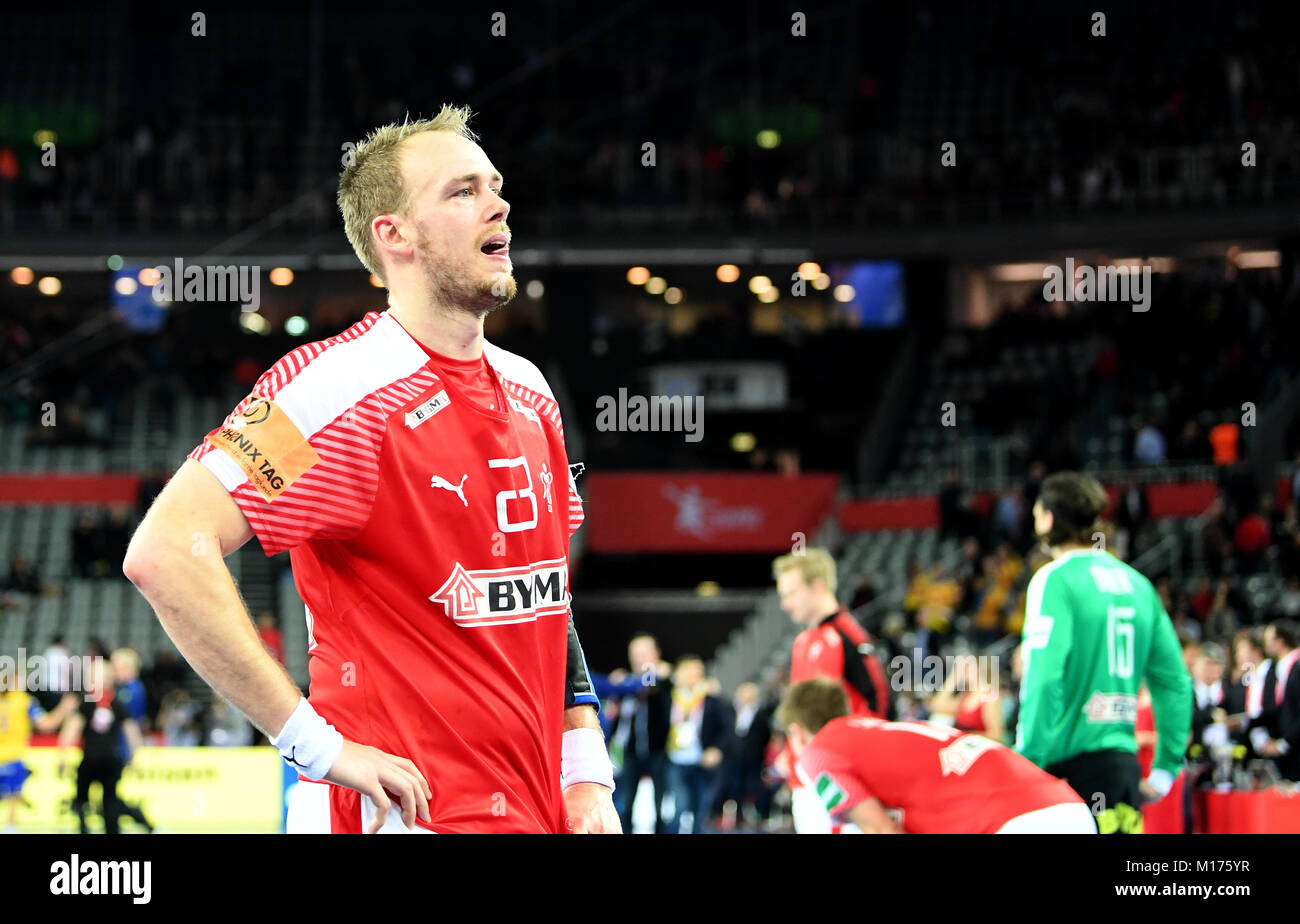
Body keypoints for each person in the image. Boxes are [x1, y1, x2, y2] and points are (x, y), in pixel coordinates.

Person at [123, 105, 617, 834]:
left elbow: (547, 601)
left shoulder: (532, 393)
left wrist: (587, 774)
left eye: (495, 184)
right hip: (400, 818)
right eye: (462, 191)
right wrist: (312, 745)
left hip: (539, 813)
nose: (498, 203)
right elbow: (166, 550)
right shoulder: (334, 389)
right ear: (394, 235)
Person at [1016, 471, 1191, 834]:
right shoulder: (1138, 584)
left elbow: (1045, 678)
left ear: (1048, 519)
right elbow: (1174, 682)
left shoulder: (1055, 579)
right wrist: (1164, 769)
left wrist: (1027, 761)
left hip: (1066, 777)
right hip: (1121, 771)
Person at [778, 678, 1095, 834]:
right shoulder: (884, 731)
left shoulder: (817, 754)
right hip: (1069, 806)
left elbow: (879, 829)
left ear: (797, 732)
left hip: (1015, 822)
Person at [772, 547, 891, 833]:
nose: (785, 604)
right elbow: (800, 709)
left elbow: (879, 704)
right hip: (807, 777)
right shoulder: (804, 641)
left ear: (818, 586)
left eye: (791, 593)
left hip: (837, 778)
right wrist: (789, 751)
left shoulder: (846, 636)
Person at [57, 661, 148, 835]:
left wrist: (63, 753)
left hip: (90, 758)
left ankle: (84, 829)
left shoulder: (87, 702)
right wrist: (134, 756)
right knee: (110, 801)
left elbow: (72, 730)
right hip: (111, 759)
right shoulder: (117, 702)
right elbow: (132, 732)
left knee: (82, 799)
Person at [608, 633, 672, 834]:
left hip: (659, 751)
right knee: (624, 803)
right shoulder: (623, 682)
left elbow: (654, 685)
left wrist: (660, 675)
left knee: (661, 804)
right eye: (635, 654)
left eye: (644, 653)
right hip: (629, 752)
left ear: (656, 654)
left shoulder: (665, 680)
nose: (639, 658)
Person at [0, 669, 77, 832]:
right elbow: (46, 724)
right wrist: (64, 708)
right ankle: (10, 828)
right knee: (14, 796)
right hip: (13, 757)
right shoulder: (25, 701)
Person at [663, 656, 730, 834]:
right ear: (678, 674)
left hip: (702, 762)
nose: (692, 676)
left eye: (696, 672)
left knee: (701, 809)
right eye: (687, 671)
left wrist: (716, 749)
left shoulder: (712, 699)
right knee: (679, 805)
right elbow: (648, 685)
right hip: (676, 760)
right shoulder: (668, 697)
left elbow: (726, 728)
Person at [1250, 620, 1300, 781]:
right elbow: (1279, 708)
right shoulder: (1281, 668)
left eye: (1268, 640)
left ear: (1280, 642)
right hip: (1290, 752)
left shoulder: (1297, 667)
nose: (1265, 645)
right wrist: (1248, 723)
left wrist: (1283, 744)